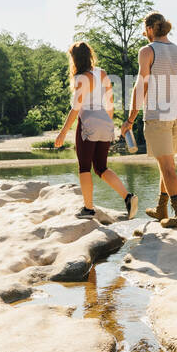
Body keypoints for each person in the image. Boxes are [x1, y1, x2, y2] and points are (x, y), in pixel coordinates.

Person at [122, 12, 177, 229]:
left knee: (167, 167)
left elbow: (140, 85)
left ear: (150, 29)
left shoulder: (147, 51)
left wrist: (130, 119)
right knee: (167, 163)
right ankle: (161, 208)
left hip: (158, 116)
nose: (145, 34)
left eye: (145, 30)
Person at [55, 42, 137, 220]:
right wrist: (109, 126)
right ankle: (128, 197)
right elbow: (110, 103)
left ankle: (88, 209)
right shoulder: (102, 73)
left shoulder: (81, 78)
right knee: (101, 167)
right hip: (105, 122)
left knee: (85, 167)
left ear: (74, 59)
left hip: (88, 122)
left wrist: (62, 132)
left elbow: (76, 108)